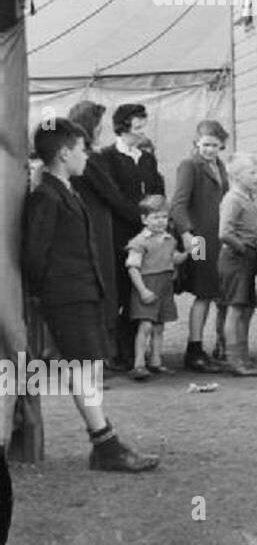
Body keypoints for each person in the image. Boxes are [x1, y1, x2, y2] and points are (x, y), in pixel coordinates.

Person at [21, 118, 159, 472]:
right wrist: (44, 293)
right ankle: (105, 444)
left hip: (79, 291)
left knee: (87, 366)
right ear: (65, 153)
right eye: (82, 150)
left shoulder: (62, 189)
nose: (87, 156)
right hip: (65, 294)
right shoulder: (47, 195)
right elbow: (35, 254)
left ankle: (105, 444)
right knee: (81, 367)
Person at [66, 101, 141, 351]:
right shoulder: (91, 158)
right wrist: (142, 218)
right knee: (103, 286)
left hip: (90, 225)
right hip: (97, 227)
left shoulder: (79, 156)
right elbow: (112, 195)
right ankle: (103, 352)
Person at [99, 103, 166, 371]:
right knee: (121, 287)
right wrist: (138, 217)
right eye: (137, 127)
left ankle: (132, 352)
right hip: (121, 234)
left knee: (140, 293)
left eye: (143, 126)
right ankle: (116, 351)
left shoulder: (147, 158)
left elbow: (157, 189)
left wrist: (156, 221)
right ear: (123, 127)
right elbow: (112, 196)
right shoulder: (107, 157)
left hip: (147, 234)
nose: (141, 132)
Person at [173, 120, 230, 373]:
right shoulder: (189, 165)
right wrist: (186, 233)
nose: (209, 149)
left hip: (219, 239)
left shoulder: (220, 165)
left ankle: (221, 345)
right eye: (205, 144)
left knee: (219, 292)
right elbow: (178, 204)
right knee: (203, 291)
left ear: (222, 146)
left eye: (214, 145)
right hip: (199, 239)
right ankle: (193, 349)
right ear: (196, 143)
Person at [123, 194, 187, 379]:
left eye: (164, 217)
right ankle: (139, 364)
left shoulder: (170, 239)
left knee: (159, 326)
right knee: (146, 326)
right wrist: (142, 290)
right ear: (144, 219)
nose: (160, 222)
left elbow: (174, 258)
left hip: (165, 286)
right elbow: (133, 267)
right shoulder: (139, 242)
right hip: (148, 285)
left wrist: (190, 253)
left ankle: (156, 361)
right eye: (155, 217)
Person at [217, 154, 257, 376]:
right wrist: (243, 248)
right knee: (235, 309)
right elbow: (224, 233)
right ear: (236, 176)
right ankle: (234, 359)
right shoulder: (232, 199)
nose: (256, 177)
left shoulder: (249, 197)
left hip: (247, 258)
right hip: (236, 259)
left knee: (246, 309)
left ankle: (244, 356)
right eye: (251, 173)